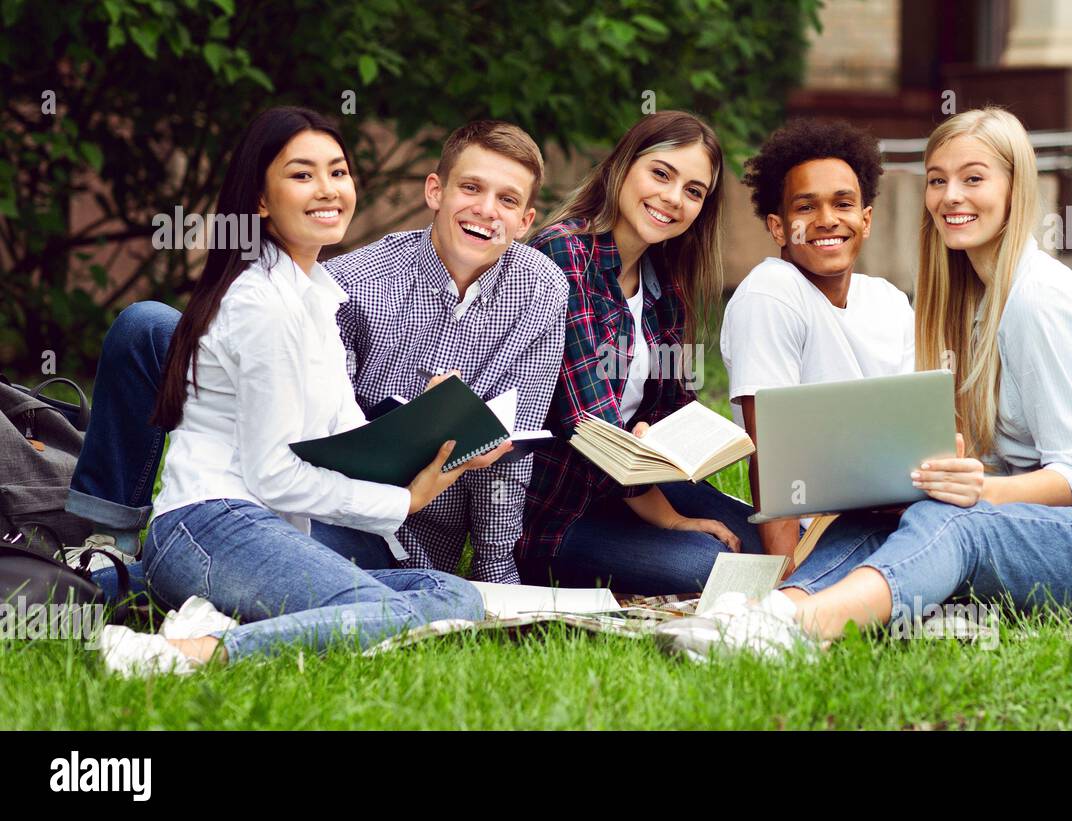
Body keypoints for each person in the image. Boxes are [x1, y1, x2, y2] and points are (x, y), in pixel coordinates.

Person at [659, 107, 1072, 658]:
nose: (951, 196)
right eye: (938, 180)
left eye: (974, 178)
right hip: (1057, 515)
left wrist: (978, 492)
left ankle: (802, 628)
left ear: (1016, 188)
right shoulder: (968, 302)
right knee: (891, 511)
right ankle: (764, 617)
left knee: (954, 522)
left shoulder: (1036, 298)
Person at [68, 119, 567, 590]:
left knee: (250, 562)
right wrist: (420, 416)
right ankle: (104, 537)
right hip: (316, 489)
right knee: (149, 326)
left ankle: (94, 587)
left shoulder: (542, 289)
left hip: (403, 525)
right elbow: (316, 431)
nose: (486, 210)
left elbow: (509, 451)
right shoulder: (351, 283)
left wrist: (495, 568)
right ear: (435, 191)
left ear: (525, 221)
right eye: (471, 188)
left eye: (507, 200)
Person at [98, 106, 506, 675]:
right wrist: (406, 501)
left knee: (453, 596)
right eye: (302, 175)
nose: (328, 190)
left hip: (264, 531)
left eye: (338, 172)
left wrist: (428, 427)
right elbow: (273, 475)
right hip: (214, 522)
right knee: (386, 612)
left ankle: (130, 595)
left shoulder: (316, 296)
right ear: (261, 201)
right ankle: (183, 653)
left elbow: (334, 443)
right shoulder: (262, 304)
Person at [517, 111, 762, 595]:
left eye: (694, 191)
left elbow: (674, 400)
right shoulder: (564, 254)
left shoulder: (664, 278)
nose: (673, 199)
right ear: (623, 166)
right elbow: (593, 431)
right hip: (558, 511)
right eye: (661, 174)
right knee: (712, 562)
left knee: (764, 538)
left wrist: (676, 437)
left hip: (636, 486)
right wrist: (672, 522)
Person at [721, 119, 915, 562]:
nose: (827, 220)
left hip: (898, 514)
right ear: (778, 227)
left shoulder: (887, 300)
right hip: (821, 533)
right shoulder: (772, 292)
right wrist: (786, 581)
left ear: (865, 220)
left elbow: (914, 437)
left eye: (843, 204)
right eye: (806, 207)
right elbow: (772, 455)